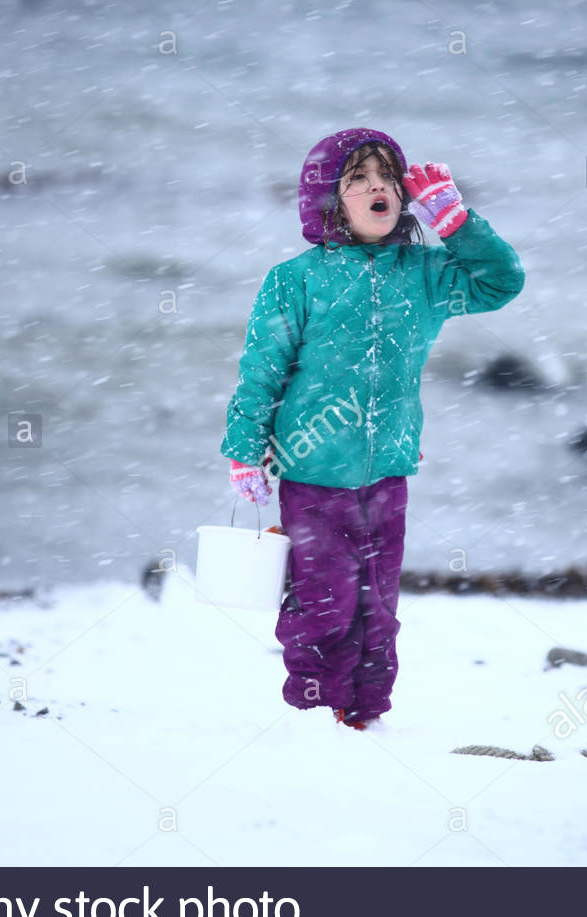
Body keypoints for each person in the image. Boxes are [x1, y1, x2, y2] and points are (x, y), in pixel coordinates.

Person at [220, 127, 524, 729]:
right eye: (357, 179)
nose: (376, 187)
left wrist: (456, 223)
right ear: (330, 200)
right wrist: (244, 449)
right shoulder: (297, 279)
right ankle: (314, 716)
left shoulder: (426, 275)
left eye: (386, 176)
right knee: (324, 608)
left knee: (378, 611)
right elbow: (262, 371)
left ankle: (365, 718)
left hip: (388, 472)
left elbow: (500, 282)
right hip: (312, 473)